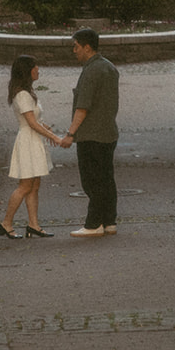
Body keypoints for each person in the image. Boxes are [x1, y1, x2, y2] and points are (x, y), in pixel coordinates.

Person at [60, 27, 119, 237]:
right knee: (106, 179)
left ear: (87, 47)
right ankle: (109, 221)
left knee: (92, 181)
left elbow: (83, 106)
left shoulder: (91, 71)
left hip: (91, 135)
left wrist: (70, 134)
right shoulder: (109, 67)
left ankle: (93, 224)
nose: (74, 51)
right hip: (108, 132)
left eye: (76, 47)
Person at [0, 55, 63, 239]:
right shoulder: (22, 94)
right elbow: (31, 123)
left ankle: (33, 224)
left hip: (34, 140)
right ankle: (6, 223)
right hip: (28, 140)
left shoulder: (27, 92)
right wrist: (54, 137)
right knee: (25, 186)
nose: (38, 69)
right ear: (28, 71)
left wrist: (46, 127)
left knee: (34, 186)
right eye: (35, 67)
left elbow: (36, 121)